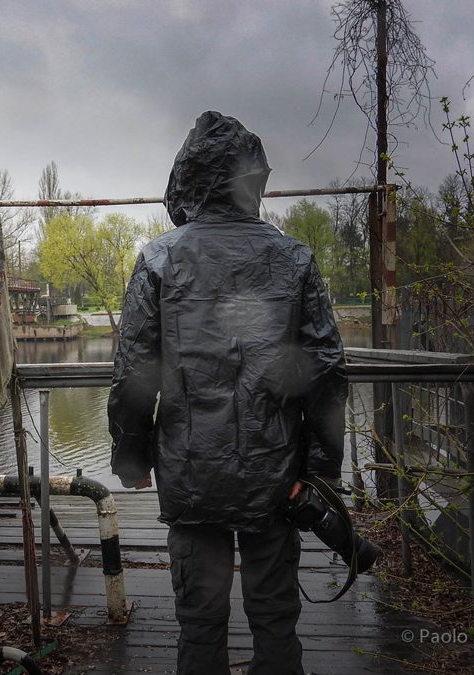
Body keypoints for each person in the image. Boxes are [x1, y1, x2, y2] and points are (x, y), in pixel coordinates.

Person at [108, 111, 348, 675]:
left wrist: (131, 457)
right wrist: (319, 471)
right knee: (275, 616)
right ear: (253, 180)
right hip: (276, 473)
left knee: (199, 620)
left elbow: (135, 371)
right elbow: (327, 371)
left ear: (186, 181)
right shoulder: (295, 258)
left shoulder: (159, 259)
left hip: (193, 473)